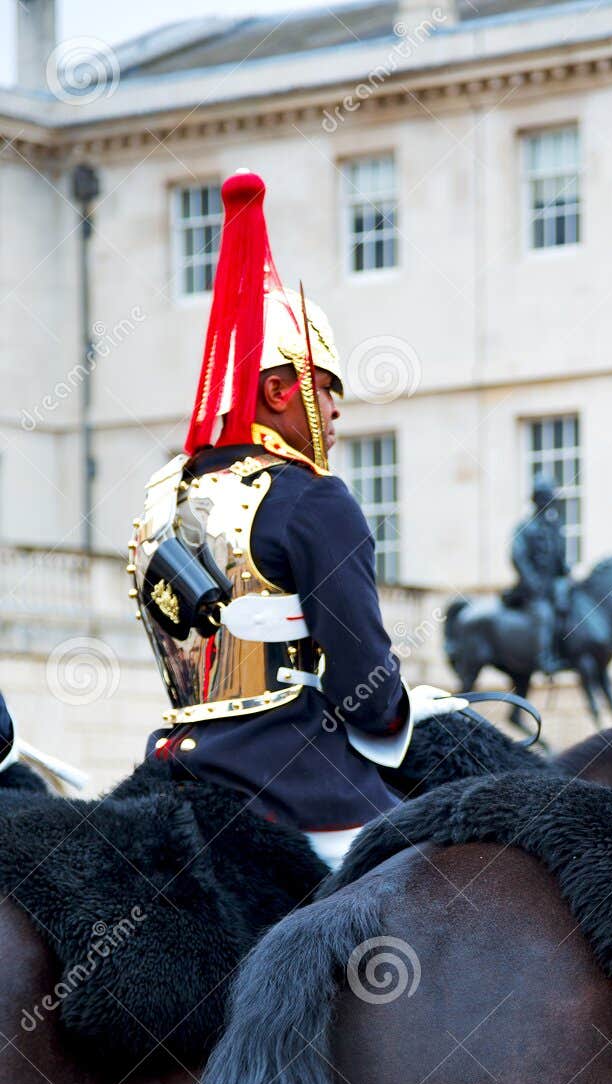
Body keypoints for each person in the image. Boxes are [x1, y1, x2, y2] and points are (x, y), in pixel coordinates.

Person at [129, 171, 463, 871]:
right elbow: (365, 695)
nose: (336, 412)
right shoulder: (313, 498)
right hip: (293, 778)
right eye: (325, 390)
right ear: (279, 391)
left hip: (175, 761)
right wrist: (403, 710)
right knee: (448, 881)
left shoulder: (165, 493)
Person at [510, 476, 571, 675]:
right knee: (544, 615)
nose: (548, 503)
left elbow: (560, 556)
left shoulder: (554, 526)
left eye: (550, 499)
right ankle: (544, 659)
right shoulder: (525, 527)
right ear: (537, 500)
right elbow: (518, 557)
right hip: (534, 589)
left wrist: (565, 569)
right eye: (544, 499)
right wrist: (532, 583)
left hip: (555, 584)